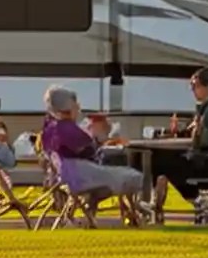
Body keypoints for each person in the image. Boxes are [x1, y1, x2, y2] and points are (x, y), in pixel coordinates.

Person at [40, 85, 146, 224]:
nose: (78, 108)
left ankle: (89, 216)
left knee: (109, 181)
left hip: (66, 177)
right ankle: (139, 209)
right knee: (131, 176)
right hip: (80, 176)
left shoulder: (50, 128)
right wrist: (97, 135)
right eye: (75, 105)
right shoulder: (66, 128)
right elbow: (89, 150)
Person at [148, 67, 208, 213]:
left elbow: (200, 141)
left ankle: (192, 201)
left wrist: (190, 133)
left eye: (195, 86)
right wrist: (180, 132)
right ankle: (158, 204)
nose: (192, 90)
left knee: (160, 159)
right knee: (164, 158)